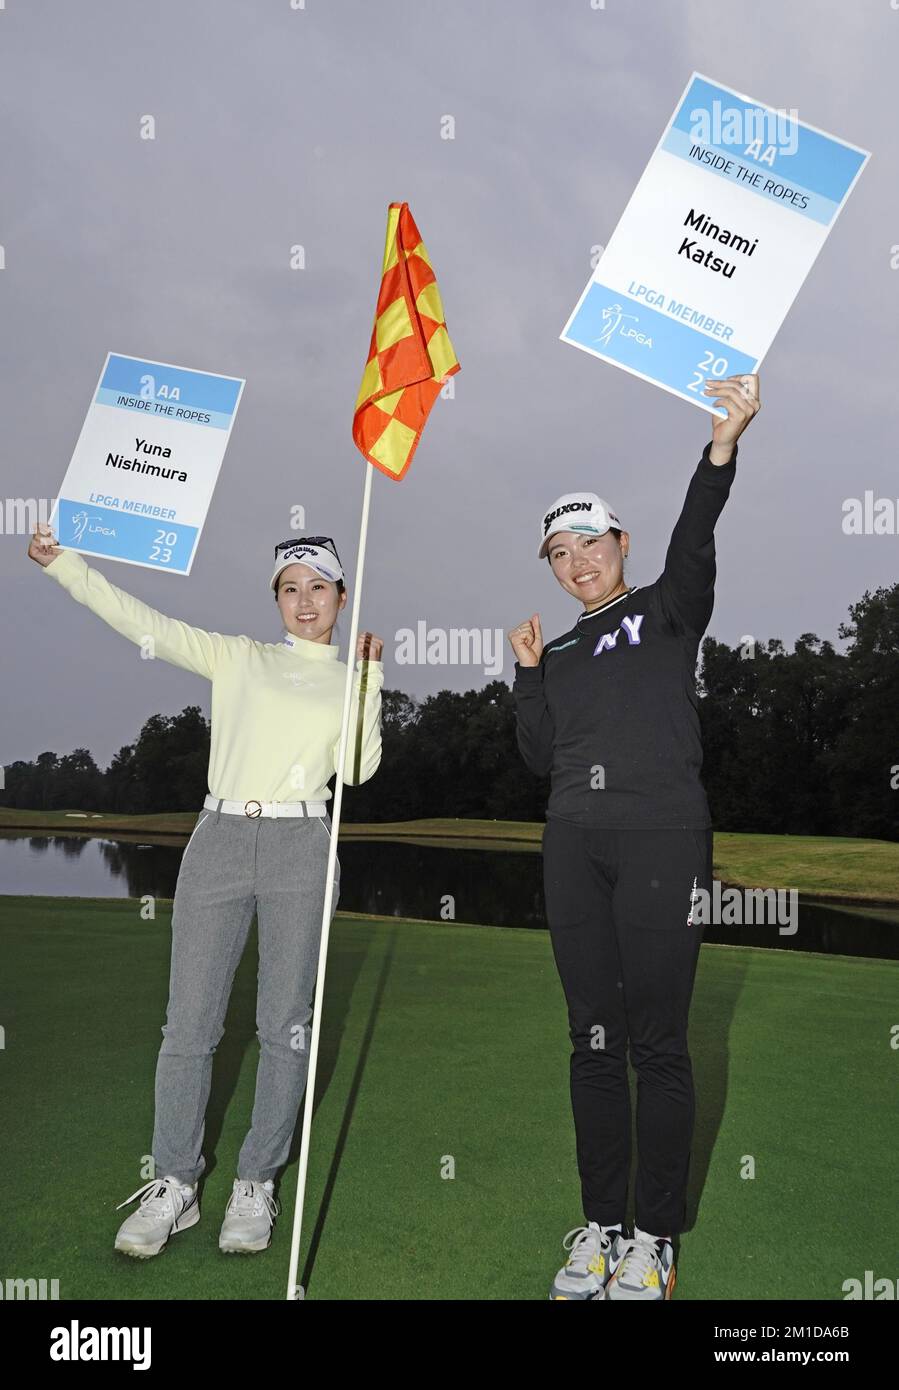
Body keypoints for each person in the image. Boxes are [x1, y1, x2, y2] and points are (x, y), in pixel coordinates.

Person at [28, 527, 384, 1258]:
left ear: (341, 597)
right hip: (219, 839)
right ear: (277, 599)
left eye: (319, 587)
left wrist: (370, 684)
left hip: (302, 846)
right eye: (290, 588)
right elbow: (144, 623)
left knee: (285, 1025)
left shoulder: (350, 678)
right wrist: (66, 565)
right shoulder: (238, 657)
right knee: (188, 1024)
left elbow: (355, 770)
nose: (305, 601)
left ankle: (255, 1182)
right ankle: (176, 1184)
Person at [508, 374, 761, 1301]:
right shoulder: (563, 650)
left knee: (655, 1042)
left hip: (661, 839)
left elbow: (697, 535)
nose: (576, 563)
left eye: (590, 544)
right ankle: (601, 1229)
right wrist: (528, 673)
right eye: (558, 553)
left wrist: (720, 447)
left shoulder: (666, 607)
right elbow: (539, 755)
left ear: (621, 544)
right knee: (590, 1040)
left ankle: (654, 1237)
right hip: (573, 842)